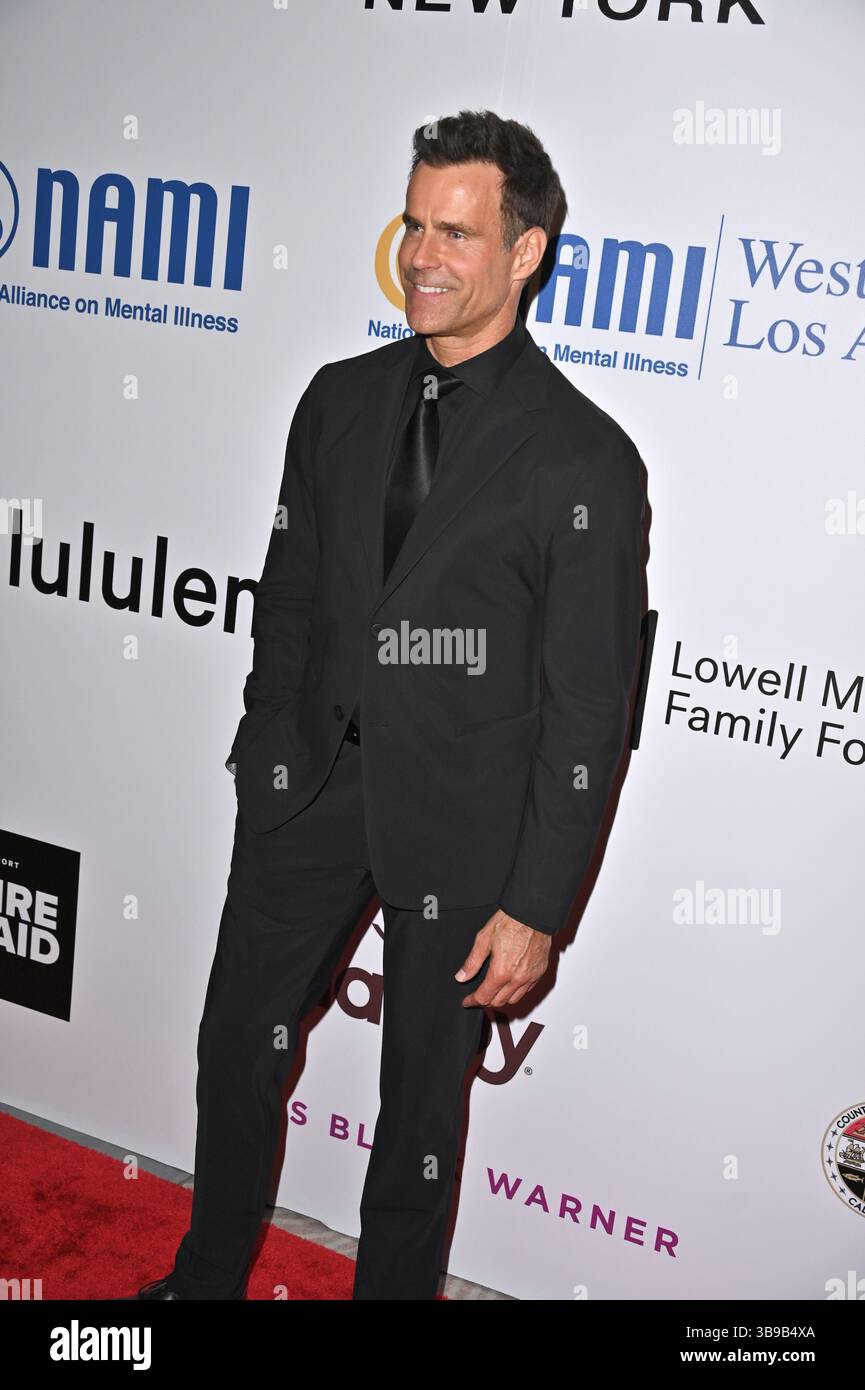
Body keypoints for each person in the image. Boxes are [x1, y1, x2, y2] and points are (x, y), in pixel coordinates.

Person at [121, 108, 646, 1301]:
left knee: (417, 1108)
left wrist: (535, 904)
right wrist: (267, 748)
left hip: (464, 827)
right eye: (414, 224)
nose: (422, 255)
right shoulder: (337, 399)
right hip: (310, 788)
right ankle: (202, 1282)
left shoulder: (586, 462)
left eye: (456, 232)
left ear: (525, 253)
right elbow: (292, 595)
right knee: (233, 1049)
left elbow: (586, 708)